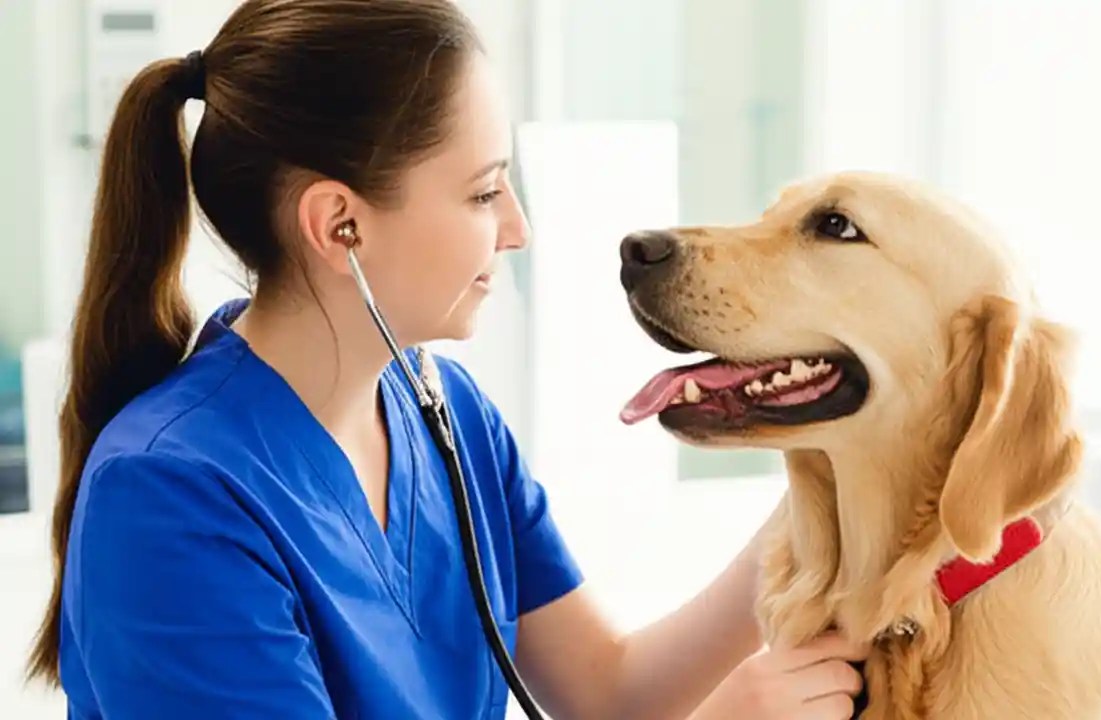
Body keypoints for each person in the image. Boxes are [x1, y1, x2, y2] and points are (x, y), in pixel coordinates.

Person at [27, 1, 868, 717]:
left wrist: (835, 491)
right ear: (338, 225)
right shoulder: (168, 495)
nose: (516, 228)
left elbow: (606, 692)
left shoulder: (451, 415)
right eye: (481, 191)